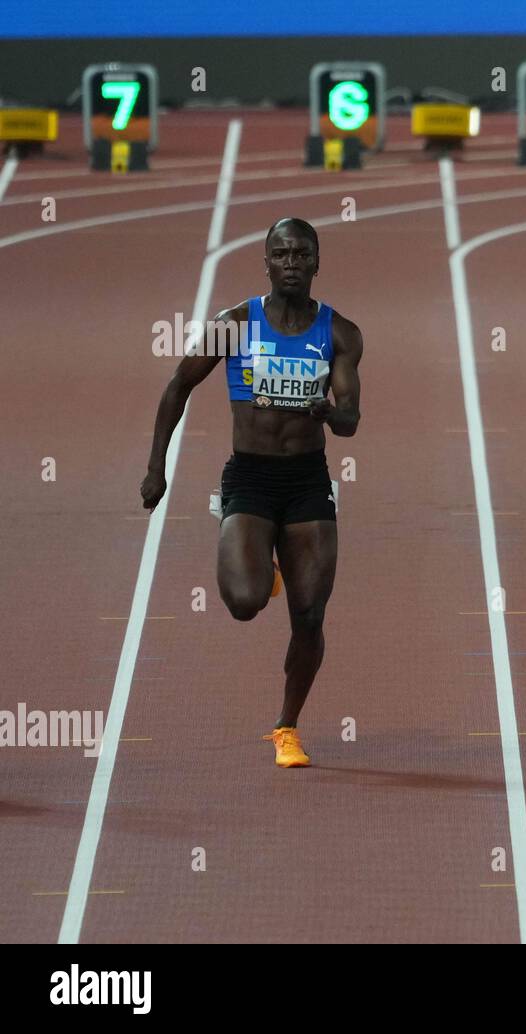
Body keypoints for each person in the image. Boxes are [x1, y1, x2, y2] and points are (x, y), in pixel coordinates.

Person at [140, 217, 363, 768]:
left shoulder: (341, 334)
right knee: (243, 602)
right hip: (250, 478)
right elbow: (177, 385)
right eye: (281, 254)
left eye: (301, 254)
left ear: (316, 263)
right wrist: (156, 468)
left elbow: (353, 419)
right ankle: (260, 561)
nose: (291, 263)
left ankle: (287, 726)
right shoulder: (234, 324)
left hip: (307, 480)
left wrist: (330, 415)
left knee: (309, 617)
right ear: (265, 262)